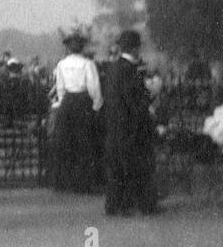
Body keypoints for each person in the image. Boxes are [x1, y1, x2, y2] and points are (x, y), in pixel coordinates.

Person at [103, 30, 159, 216]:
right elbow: (133, 99)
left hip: (115, 124)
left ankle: (115, 205)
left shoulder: (114, 68)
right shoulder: (129, 70)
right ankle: (138, 205)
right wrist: (148, 104)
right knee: (135, 165)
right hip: (129, 125)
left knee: (117, 167)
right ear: (135, 48)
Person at [49, 31, 103, 193]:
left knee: (66, 143)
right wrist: (96, 106)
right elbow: (94, 86)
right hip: (82, 101)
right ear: (82, 47)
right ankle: (83, 183)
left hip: (68, 102)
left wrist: (62, 103)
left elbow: (60, 87)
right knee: (84, 143)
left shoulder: (62, 64)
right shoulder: (87, 64)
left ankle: (66, 182)